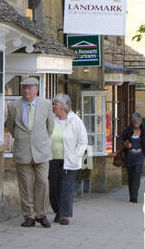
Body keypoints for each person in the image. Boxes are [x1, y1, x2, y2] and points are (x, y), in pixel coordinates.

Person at [5, 76, 56, 228]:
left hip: (41, 150)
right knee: (25, 185)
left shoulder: (46, 104)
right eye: (24, 87)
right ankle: (29, 216)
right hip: (23, 150)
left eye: (30, 87)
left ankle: (40, 213)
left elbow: (50, 127)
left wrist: (40, 140)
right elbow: (11, 126)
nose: (26, 90)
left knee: (42, 182)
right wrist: (22, 139)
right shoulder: (14, 105)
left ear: (36, 89)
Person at [49, 93, 89, 225]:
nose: (53, 106)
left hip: (69, 160)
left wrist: (76, 155)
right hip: (53, 159)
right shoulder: (52, 120)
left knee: (66, 188)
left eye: (56, 104)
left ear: (63, 106)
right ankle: (58, 211)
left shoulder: (75, 121)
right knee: (54, 188)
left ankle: (65, 215)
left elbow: (83, 142)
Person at [118, 112, 145, 203]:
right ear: (133, 122)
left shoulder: (143, 131)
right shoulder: (127, 130)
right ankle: (131, 196)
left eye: (138, 123)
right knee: (131, 177)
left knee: (137, 175)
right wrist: (125, 144)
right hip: (129, 156)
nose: (137, 125)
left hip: (139, 156)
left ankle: (135, 196)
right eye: (135, 123)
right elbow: (121, 139)